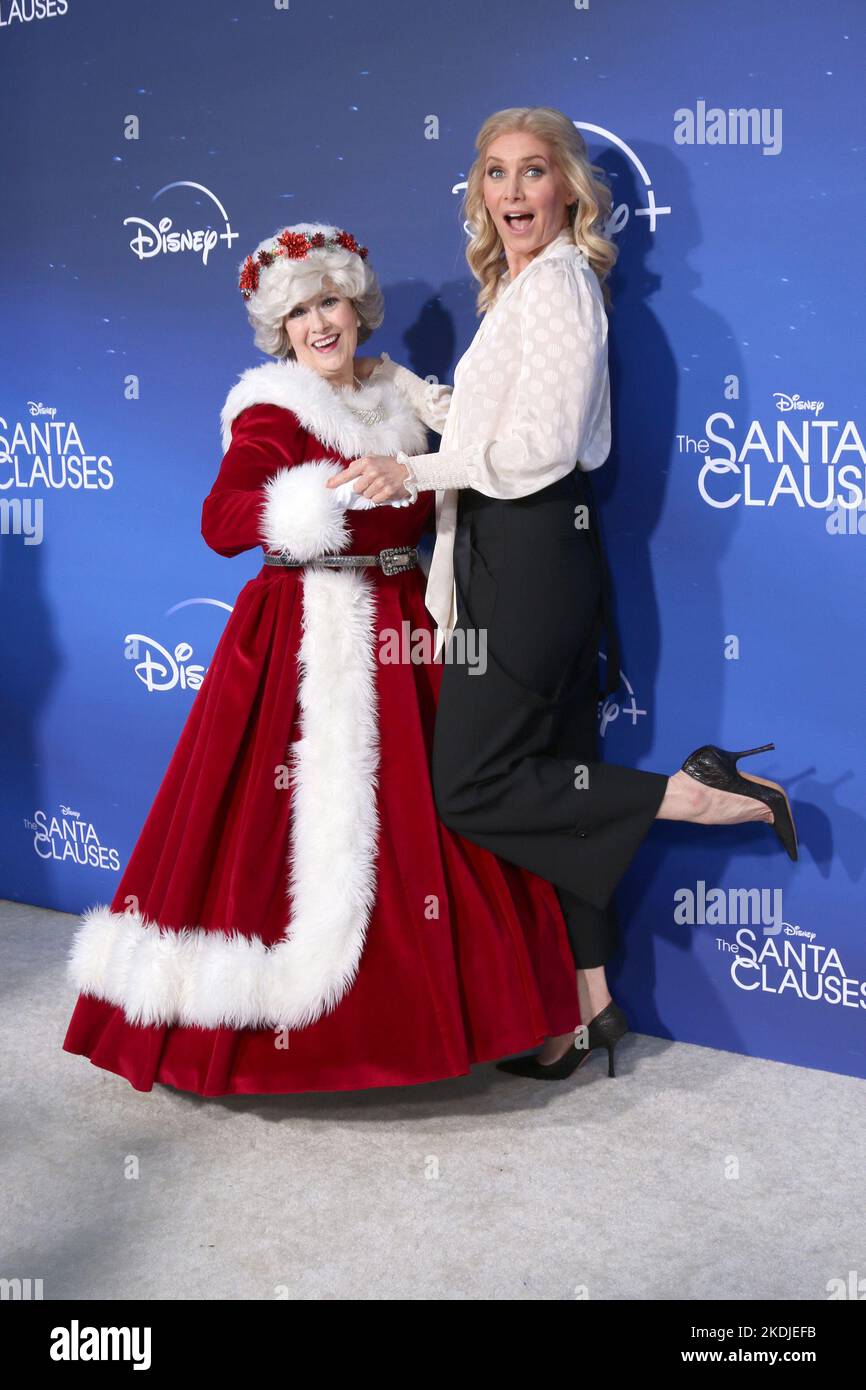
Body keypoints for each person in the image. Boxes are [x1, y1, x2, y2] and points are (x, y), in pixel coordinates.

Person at [329, 107, 799, 1082]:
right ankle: (589, 1004)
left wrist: (406, 475)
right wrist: (413, 397)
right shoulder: (522, 290)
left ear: (567, 191)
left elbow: (538, 452)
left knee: (472, 783)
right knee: (561, 769)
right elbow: (496, 425)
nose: (508, 193)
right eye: (493, 174)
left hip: (530, 550)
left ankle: (697, 795)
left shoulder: (559, 290)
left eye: (530, 173)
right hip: (526, 548)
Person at [62, 221, 583, 1096]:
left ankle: (506, 1017)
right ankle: (274, 1038)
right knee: (290, 836)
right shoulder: (272, 408)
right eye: (299, 311)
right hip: (308, 638)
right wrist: (319, 496)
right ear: (281, 328)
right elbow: (223, 519)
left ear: (357, 303)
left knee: (441, 816)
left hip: (405, 623)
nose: (320, 324)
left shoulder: (402, 396)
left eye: (330, 300)